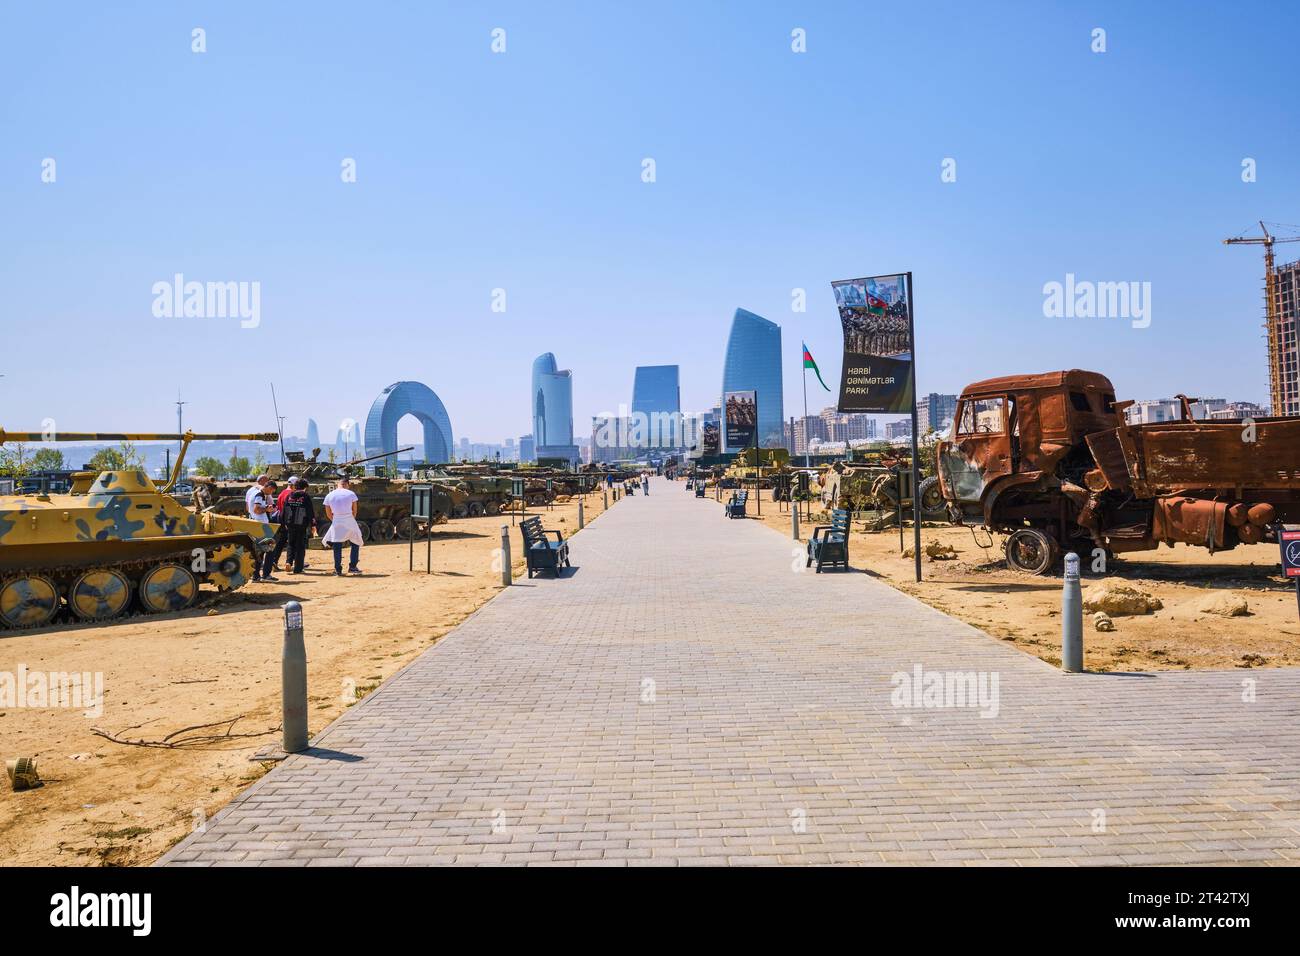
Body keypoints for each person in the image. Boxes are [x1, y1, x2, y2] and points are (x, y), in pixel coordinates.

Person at [322, 477, 363, 575]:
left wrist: (335, 520)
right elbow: (355, 510)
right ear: (347, 484)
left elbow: (328, 513)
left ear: (338, 485)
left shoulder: (329, 495)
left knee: (337, 545)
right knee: (355, 542)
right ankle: (353, 566)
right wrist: (349, 519)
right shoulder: (351, 494)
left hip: (337, 520)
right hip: (349, 520)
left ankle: (338, 569)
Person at [245, 474, 277, 582]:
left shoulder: (254, 493)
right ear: (268, 487)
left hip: (257, 524)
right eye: (272, 491)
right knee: (269, 548)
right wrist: (266, 510)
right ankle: (266, 575)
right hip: (260, 526)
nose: (271, 493)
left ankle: (256, 575)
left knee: (259, 552)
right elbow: (257, 510)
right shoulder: (259, 495)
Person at [281, 478, 316, 574]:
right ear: (305, 487)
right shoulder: (305, 496)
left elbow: (284, 510)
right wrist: (313, 524)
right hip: (301, 524)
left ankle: (288, 562)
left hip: (290, 523)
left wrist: (284, 523)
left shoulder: (289, 495)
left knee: (291, 544)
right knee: (300, 545)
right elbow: (310, 511)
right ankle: (298, 568)